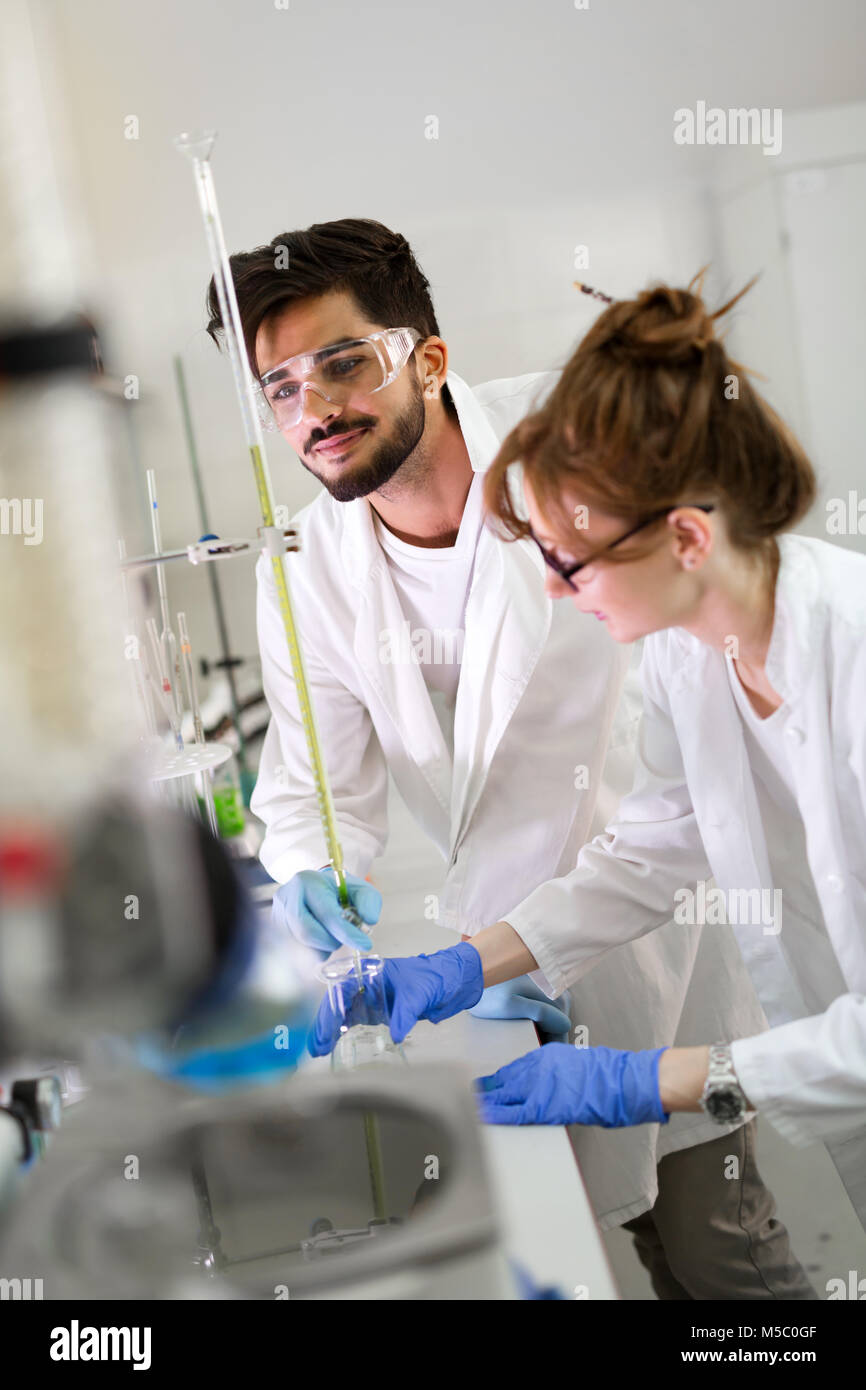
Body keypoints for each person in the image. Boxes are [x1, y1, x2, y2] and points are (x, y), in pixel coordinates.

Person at [207, 229, 813, 1297]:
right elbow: (313, 790)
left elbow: (675, 808)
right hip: (511, 963)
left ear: (425, 360)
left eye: (343, 363)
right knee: (605, 1246)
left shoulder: (567, 456)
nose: (315, 410)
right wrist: (316, 872)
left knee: (722, 1260)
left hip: (669, 951)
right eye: (280, 387)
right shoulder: (305, 567)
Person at [339, 271, 866, 1253]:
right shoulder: (685, 647)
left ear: (684, 535)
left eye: (566, 560)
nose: (546, 585)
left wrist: (643, 1078)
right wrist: (465, 963)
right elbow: (650, 854)